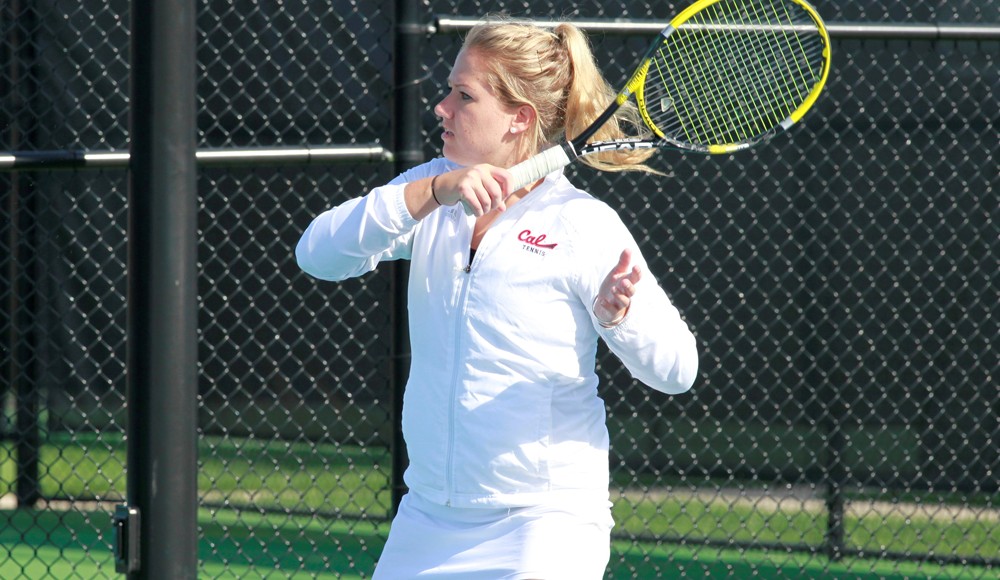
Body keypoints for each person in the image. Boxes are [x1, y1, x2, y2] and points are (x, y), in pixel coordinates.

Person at [296, 17, 698, 579]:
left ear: (520, 119)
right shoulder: (435, 189)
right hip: (428, 516)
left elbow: (678, 369)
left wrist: (621, 317)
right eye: (449, 91)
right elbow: (317, 254)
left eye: (464, 96)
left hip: (546, 524)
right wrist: (431, 191)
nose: (442, 107)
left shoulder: (581, 222)